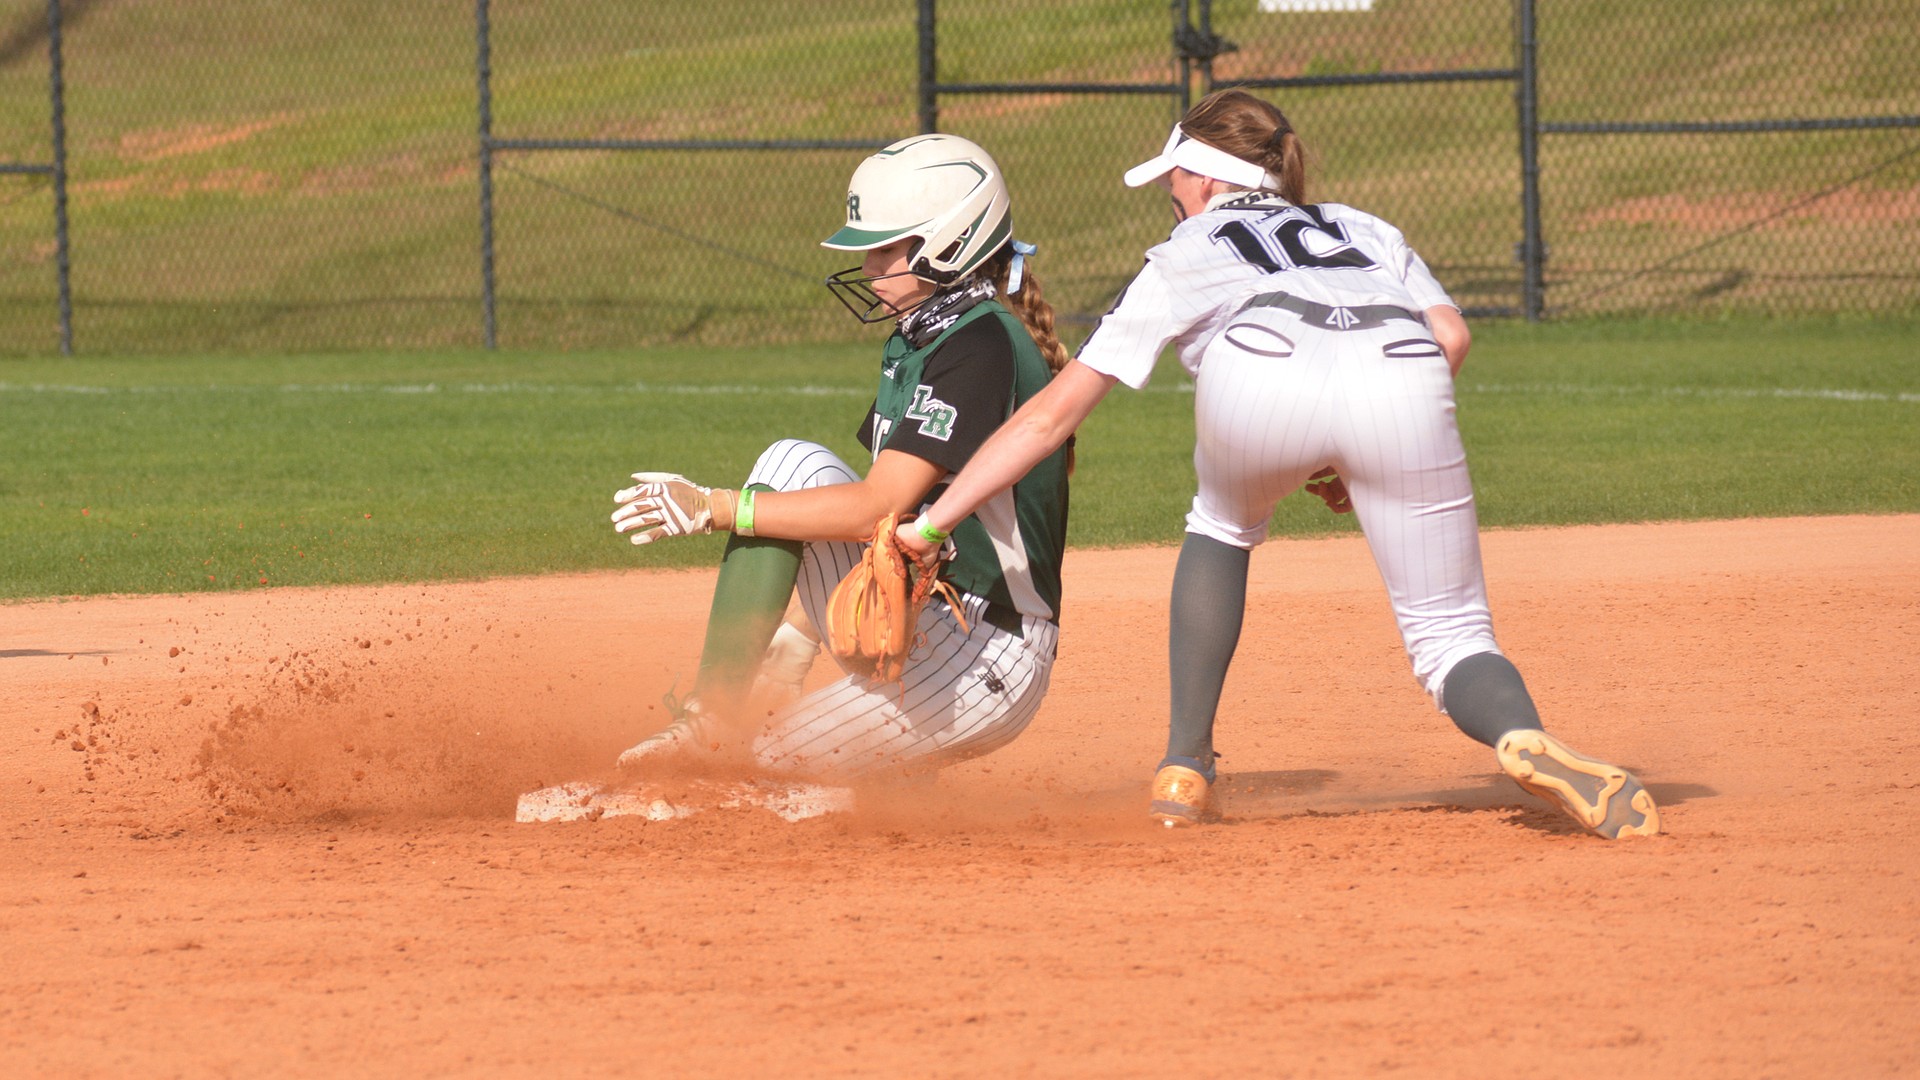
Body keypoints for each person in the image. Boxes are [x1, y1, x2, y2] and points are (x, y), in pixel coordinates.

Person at [897, 90, 1660, 839]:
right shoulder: (1364, 227)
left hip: (1259, 363)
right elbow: (1451, 338)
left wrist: (933, 522)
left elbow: (1049, 417)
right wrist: (1353, 449)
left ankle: (1184, 766)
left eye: (1173, 179)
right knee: (1450, 633)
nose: (1170, 192)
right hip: (1401, 372)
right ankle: (1519, 735)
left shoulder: (1182, 252)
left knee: (1222, 526)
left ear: (1203, 177)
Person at [607, 133, 1072, 785]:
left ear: (948, 244)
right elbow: (892, 514)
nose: (869, 266)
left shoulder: (983, 345)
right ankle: (710, 714)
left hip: (987, 653)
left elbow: (874, 510)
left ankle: (899, 780)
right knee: (791, 460)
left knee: (762, 768)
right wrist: (795, 638)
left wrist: (713, 507)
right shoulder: (924, 338)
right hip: (926, 613)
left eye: (884, 248)